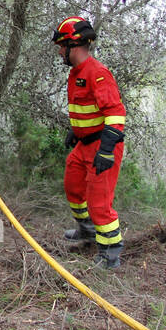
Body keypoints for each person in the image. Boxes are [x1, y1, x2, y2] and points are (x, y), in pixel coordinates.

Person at [53, 16, 126, 269]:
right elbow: (87, 109)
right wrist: (77, 131)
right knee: (73, 186)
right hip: (84, 144)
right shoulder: (76, 74)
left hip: (103, 147)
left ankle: (110, 254)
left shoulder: (98, 73)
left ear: (74, 44)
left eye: (62, 46)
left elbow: (116, 114)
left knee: (99, 203)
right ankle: (87, 230)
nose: (60, 51)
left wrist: (106, 150)